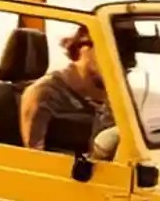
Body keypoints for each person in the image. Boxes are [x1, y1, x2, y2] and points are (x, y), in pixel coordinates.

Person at [18, 25, 117, 155]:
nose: (127, 62)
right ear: (84, 46)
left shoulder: (114, 101)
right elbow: (35, 158)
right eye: (115, 52)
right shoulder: (45, 93)